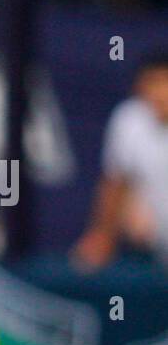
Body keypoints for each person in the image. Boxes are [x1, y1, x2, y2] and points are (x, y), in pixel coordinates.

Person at [71, 53, 168, 270]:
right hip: (156, 253)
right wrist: (103, 234)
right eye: (153, 81)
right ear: (139, 86)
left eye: (166, 81)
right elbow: (116, 183)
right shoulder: (129, 119)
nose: (161, 91)